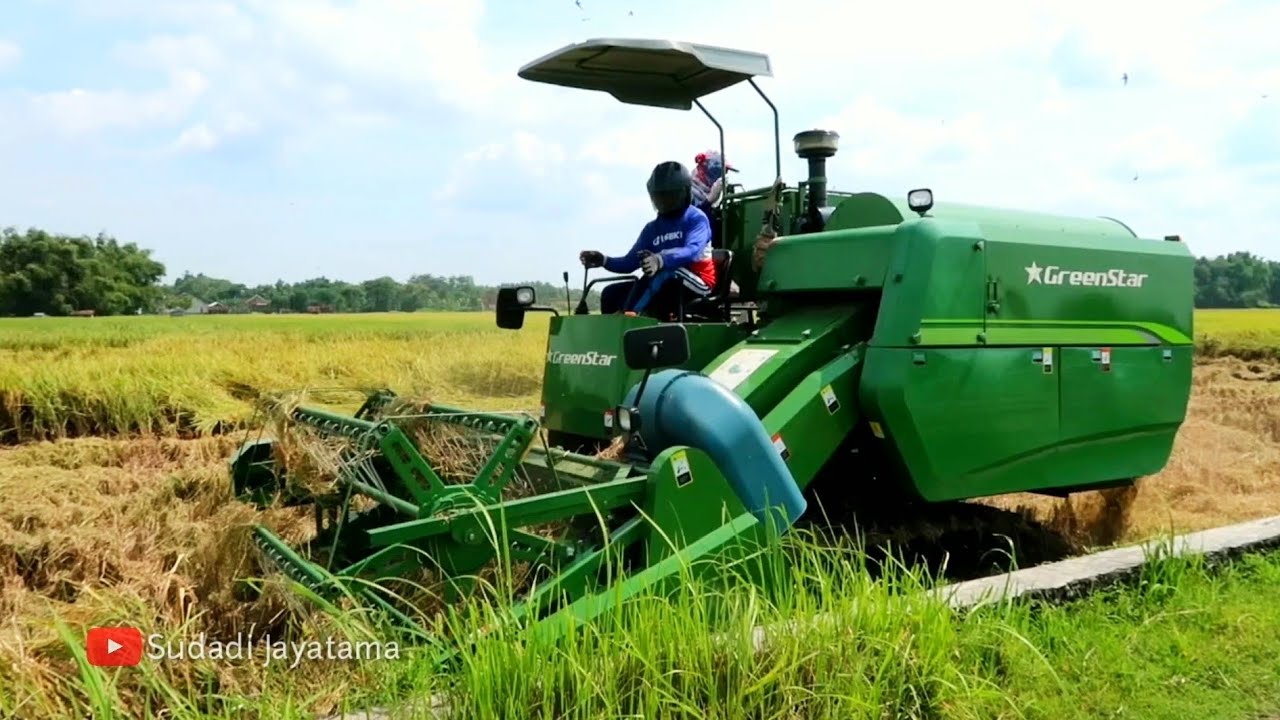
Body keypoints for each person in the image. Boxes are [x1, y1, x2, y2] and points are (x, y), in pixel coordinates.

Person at [580, 161, 717, 318]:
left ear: (684, 193)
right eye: (660, 197)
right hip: (665, 282)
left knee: (665, 274)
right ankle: (611, 336)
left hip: (700, 282)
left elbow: (692, 251)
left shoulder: (696, 218)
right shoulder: (652, 228)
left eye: (670, 197)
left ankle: (632, 315)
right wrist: (604, 260)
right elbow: (630, 262)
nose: (665, 202)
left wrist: (660, 260)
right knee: (611, 293)